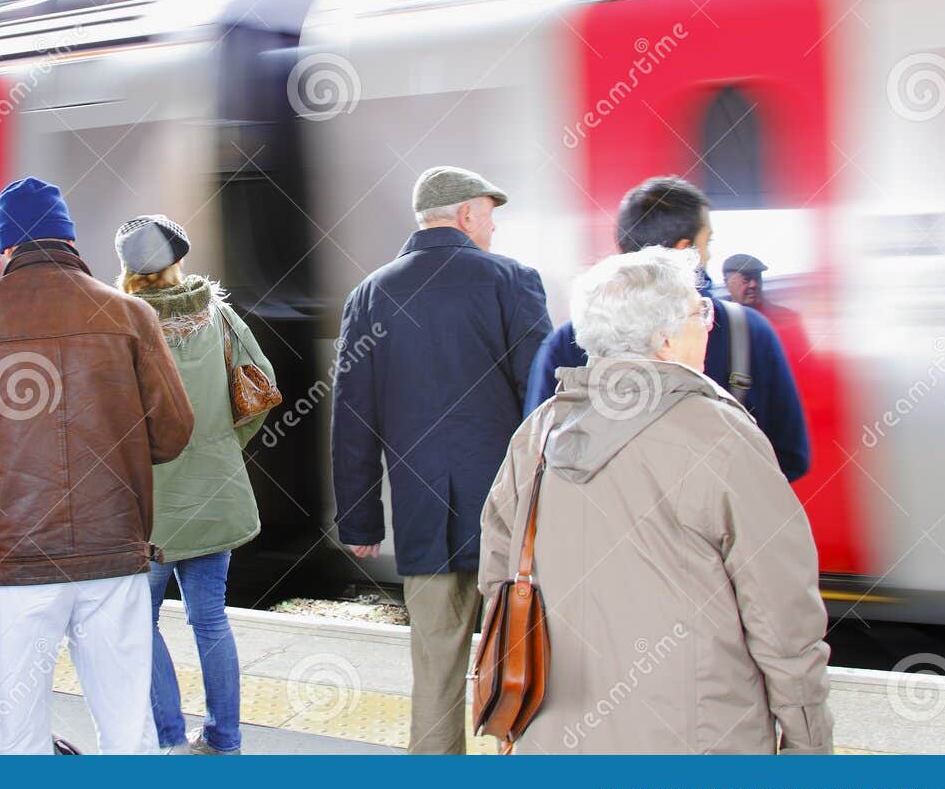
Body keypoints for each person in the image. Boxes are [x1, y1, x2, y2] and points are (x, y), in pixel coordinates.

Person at [480, 247, 833, 754]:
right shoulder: (722, 435)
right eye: (700, 310)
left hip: (549, 740)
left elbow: (498, 579)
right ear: (664, 338)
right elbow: (783, 615)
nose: (709, 323)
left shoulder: (537, 433)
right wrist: (809, 743)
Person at [0, 177, 194, 754]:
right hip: (111, 547)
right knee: (127, 727)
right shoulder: (130, 314)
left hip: (15, 558)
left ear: (6, 247)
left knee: (17, 732)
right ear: (70, 240)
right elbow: (172, 434)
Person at [331, 166, 550, 755]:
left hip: (424, 514)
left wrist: (359, 521)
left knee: (435, 665)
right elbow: (544, 404)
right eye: (489, 212)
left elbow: (353, 418)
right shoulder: (514, 282)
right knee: (523, 655)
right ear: (465, 214)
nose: (494, 224)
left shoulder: (372, 294)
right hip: (511, 517)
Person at [114, 214, 274, 755]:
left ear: (128, 269)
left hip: (147, 511)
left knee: (142, 622)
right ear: (179, 260)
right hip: (214, 497)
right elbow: (262, 390)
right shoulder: (221, 318)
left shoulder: (121, 327)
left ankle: (168, 737)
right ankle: (224, 739)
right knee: (210, 619)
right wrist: (221, 452)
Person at [526, 176, 810, 481]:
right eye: (707, 243)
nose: (710, 255)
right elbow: (790, 455)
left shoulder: (569, 341)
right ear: (683, 250)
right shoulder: (747, 331)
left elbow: (539, 457)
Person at [723, 252, 812, 354]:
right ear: (727, 283)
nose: (753, 284)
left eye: (757, 278)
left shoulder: (786, 318)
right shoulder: (717, 323)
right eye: (746, 279)